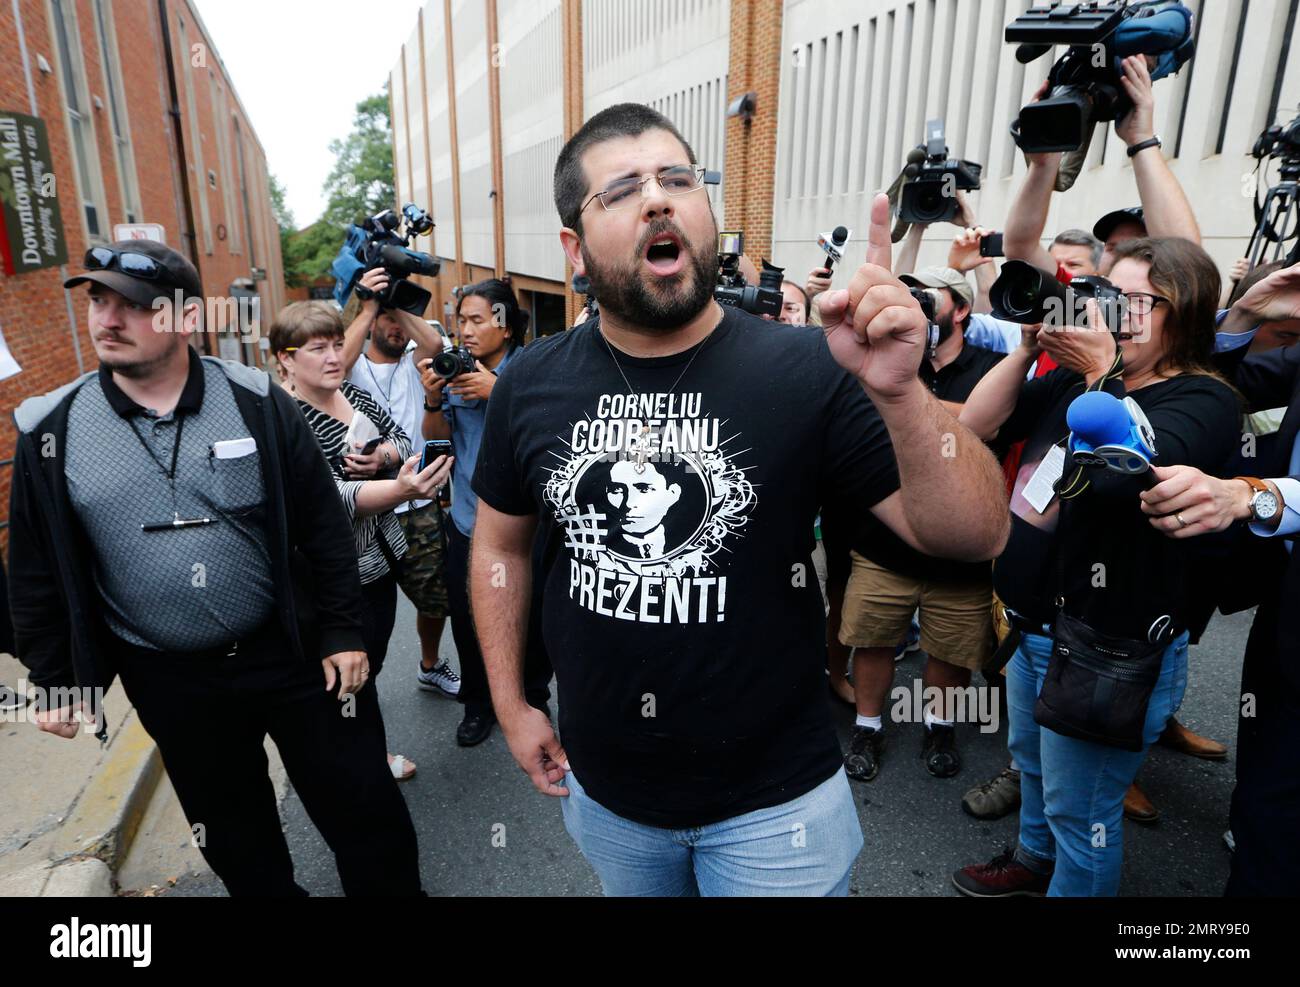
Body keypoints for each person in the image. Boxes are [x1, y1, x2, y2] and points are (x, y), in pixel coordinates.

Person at [470, 102, 1009, 897]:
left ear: (705, 216)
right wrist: (512, 703)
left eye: (677, 178)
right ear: (574, 252)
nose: (658, 197)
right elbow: (499, 547)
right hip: (608, 795)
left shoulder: (811, 368)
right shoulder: (529, 381)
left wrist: (903, 396)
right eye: (620, 190)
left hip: (777, 807)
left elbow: (977, 532)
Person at [9, 241, 423, 896]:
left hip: (293, 653)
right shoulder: (51, 430)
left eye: (134, 305)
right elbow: (35, 567)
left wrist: (342, 629)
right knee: (231, 830)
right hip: (170, 677)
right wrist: (56, 676)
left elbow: (322, 525)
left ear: (186, 316)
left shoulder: (258, 402)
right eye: (98, 300)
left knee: (362, 802)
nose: (107, 319)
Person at [952, 237, 1239, 897]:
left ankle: (1062, 871)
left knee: (1083, 814)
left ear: (1184, 313)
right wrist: (1029, 347)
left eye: (1136, 302)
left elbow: (1131, 475)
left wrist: (1102, 371)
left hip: (1106, 646)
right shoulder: (1069, 377)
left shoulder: (1202, 399)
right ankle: (1031, 859)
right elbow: (975, 421)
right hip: (1032, 625)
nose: (1115, 313)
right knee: (1032, 766)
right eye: (1109, 295)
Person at [1136, 262, 1300, 896]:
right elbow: (1224, 382)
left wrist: (1253, 497)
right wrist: (1247, 315)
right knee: (1267, 788)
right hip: (1283, 616)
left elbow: (1253, 489)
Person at [270, 301, 453, 781]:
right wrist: (400, 488)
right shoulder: (283, 418)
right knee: (342, 678)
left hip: (380, 561)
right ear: (285, 359)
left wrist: (383, 457)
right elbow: (329, 499)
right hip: (331, 578)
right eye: (318, 348)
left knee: (368, 667)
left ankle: (362, 752)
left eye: (336, 344)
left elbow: (398, 434)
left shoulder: (352, 393)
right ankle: (358, 764)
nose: (334, 356)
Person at [838, 266, 1006, 782]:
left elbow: (988, 422)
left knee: (950, 650)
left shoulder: (991, 366)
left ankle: (938, 724)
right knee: (872, 639)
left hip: (962, 554)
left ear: (959, 309)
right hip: (884, 546)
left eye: (929, 298)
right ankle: (868, 725)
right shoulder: (877, 353)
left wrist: (900, 394)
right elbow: (854, 413)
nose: (916, 306)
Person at [420, 279, 552, 747]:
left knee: (534, 616)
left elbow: (551, 432)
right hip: (469, 524)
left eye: (477, 320)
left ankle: (532, 697)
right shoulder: (454, 371)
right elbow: (436, 443)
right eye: (462, 321)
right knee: (470, 618)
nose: (466, 331)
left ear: (506, 325)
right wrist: (435, 398)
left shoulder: (533, 370)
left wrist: (499, 393)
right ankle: (478, 704)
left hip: (528, 527)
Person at [340, 269, 459, 700]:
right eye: (384, 319)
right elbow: (336, 361)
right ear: (368, 321)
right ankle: (359, 690)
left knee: (435, 598)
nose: (394, 327)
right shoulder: (350, 366)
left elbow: (432, 343)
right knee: (367, 608)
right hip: (365, 509)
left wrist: (397, 305)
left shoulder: (416, 360)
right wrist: (371, 305)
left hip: (417, 504)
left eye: (400, 319)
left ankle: (429, 665)